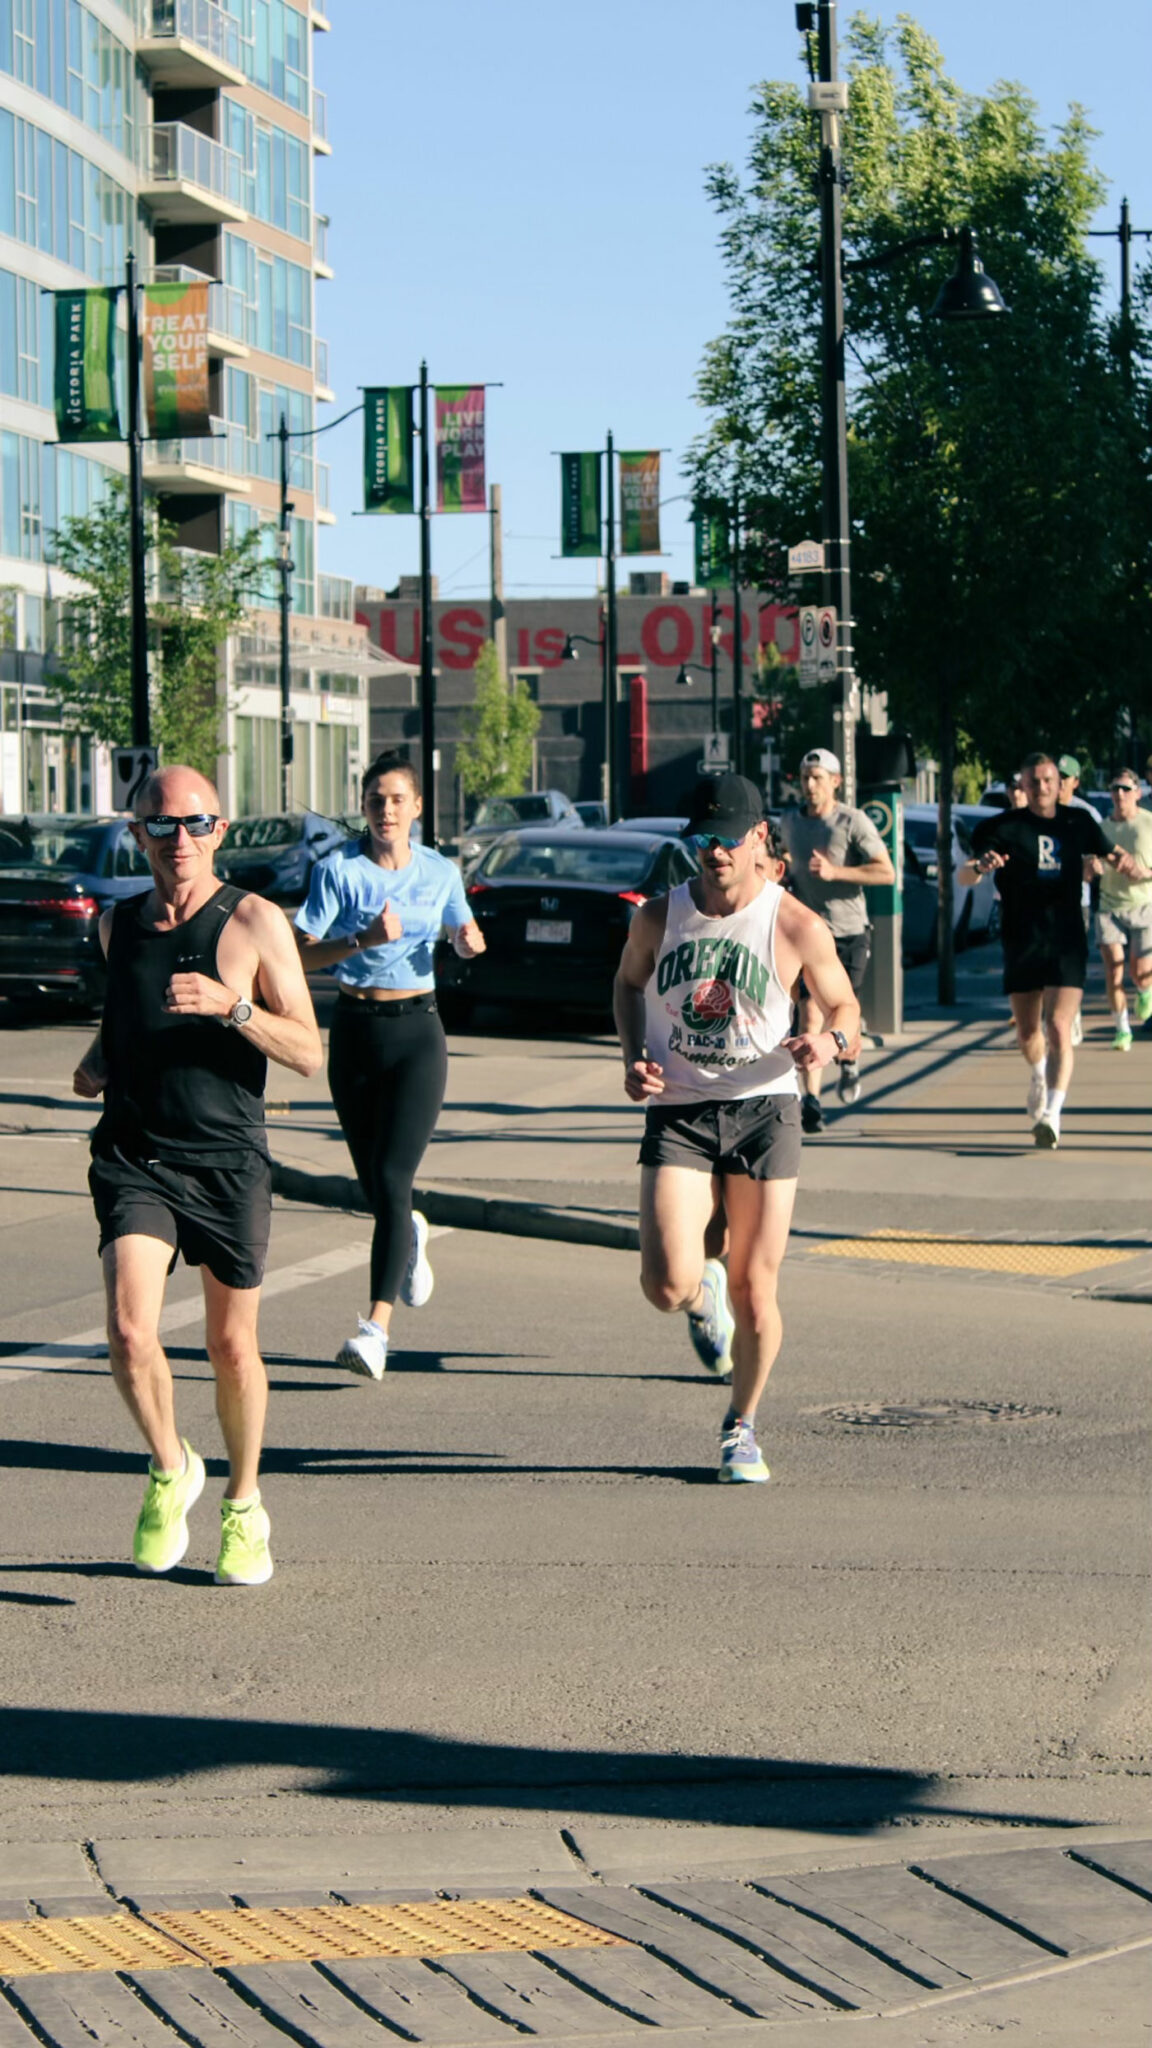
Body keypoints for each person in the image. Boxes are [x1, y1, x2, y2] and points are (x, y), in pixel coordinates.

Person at [72, 766, 322, 1585]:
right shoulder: (118, 925)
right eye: (161, 824)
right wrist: (97, 1062)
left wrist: (233, 1008)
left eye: (196, 822)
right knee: (131, 1331)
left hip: (226, 1159)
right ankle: (170, 1465)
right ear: (136, 832)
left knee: (229, 1344)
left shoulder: (253, 921)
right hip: (136, 1152)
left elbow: (310, 1053)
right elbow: (125, 1021)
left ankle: (244, 1504)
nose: (179, 838)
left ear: (219, 830)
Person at [613, 775, 859, 1484]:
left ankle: (742, 1426)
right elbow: (628, 985)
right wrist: (633, 1055)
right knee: (664, 1283)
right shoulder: (660, 918)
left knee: (756, 1285)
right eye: (702, 837)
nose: (713, 851)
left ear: (759, 841)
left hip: (764, 1110)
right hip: (681, 1109)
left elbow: (846, 1010)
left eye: (727, 837)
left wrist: (830, 1046)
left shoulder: (795, 925)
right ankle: (699, 1298)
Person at [295, 752, 485, 1378]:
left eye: (397, 800)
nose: (385, 811)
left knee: (392, 1175)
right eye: (375, 800)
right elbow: (302, 956)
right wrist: (361, 941)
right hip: (353, 1032)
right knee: (377, 1187)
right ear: (365, 807)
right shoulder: (338, 872)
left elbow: (463, 927)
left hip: (417, 1035)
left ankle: (375, 1329)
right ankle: (410, 1232)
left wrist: (466, 940)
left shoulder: (439, 871)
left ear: (416, 808)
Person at [961, 752, 1139, 1149]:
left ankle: (1053, 1114)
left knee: (1058, 1026)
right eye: (1033, 781)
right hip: (1021, 939)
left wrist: (1129, 865)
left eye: (1048, 780)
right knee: (1028, 1032)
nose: (1041, 787)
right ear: (1021, 786)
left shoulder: (1078, 822)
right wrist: (980, 866)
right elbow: (964, 875)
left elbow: (1113, 856)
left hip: (1066, 939)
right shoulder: (1000, 828)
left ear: (1061, 784)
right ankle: (1039, 1074)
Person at [778, 747, 894, 1132]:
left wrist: (836, 873)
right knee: (809, 1014)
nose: (809, 786)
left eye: (817, 778)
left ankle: (849, 1061)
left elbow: (886, 873)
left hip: (849, 932)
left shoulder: (852, 821)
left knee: (842, 1012)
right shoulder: (789, 823)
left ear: (836, 782)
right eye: (805, 778)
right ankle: (811, 1100)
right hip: (808, 936)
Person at [1096, 769, 1152, 1050]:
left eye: (1126, 789)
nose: (1120, 795)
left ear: (1137, 793)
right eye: (1115, 789)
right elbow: (1088, 864)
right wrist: (1091, 867)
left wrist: (1145, 871)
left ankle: (1145, 991)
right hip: (1109, 906)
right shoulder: (1102, 828)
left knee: (1140, 971)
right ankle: (1122, 1029)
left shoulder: (1149, 823)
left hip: (1143, 904)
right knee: (1113, 971)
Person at [1056, 755, 1098, 1045]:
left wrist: (1089, 868)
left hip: (1076, 901)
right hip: (1041, 901)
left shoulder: (1085, 815)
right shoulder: (1040, 811)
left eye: (1064, 778)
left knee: (1070, 961)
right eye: (1054, 777)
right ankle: (1056, 1018)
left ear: (1076, 782)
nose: (1058, 783)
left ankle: (1072, 1016)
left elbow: (1096, 858)